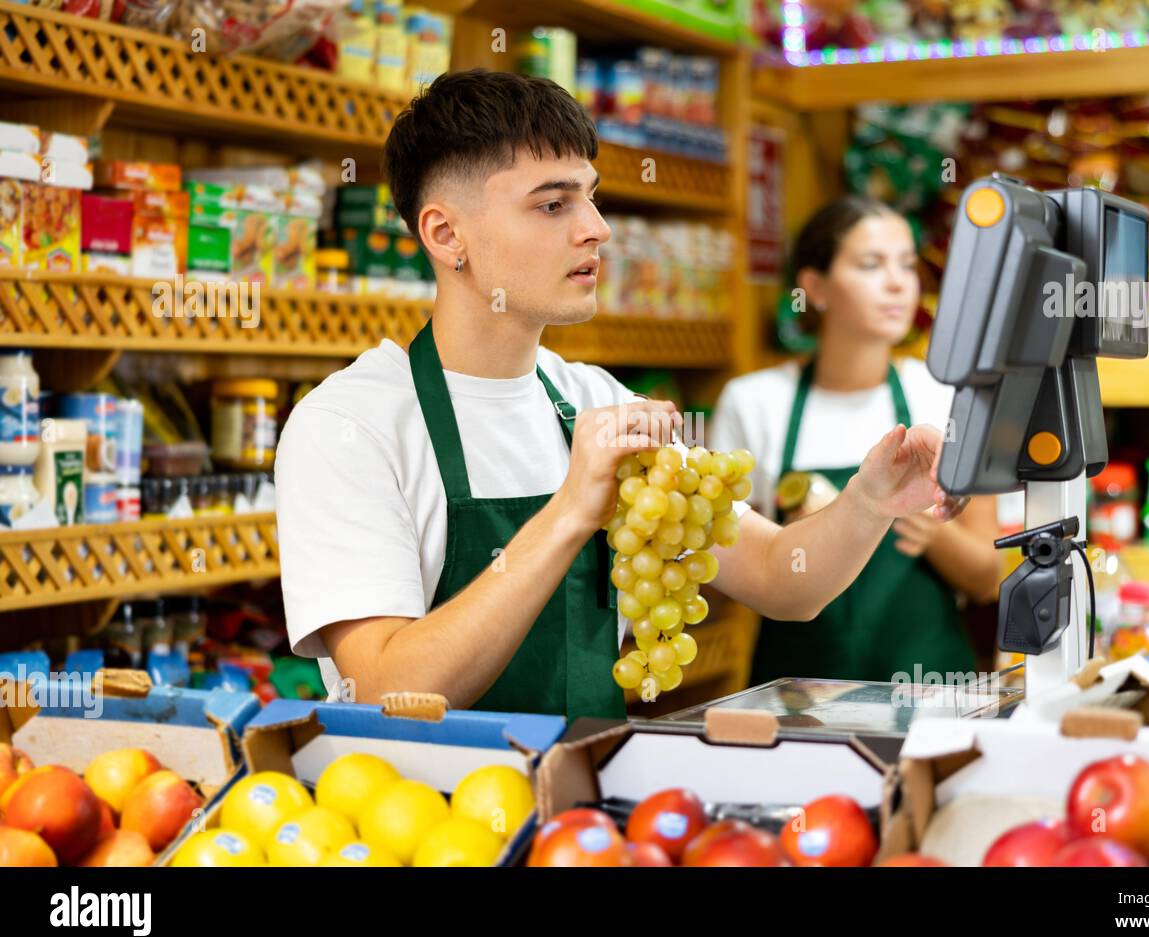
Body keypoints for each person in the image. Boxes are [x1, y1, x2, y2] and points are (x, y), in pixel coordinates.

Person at [274, 71, 968, 721]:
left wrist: (871, 500)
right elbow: (386, 688)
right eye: (553, 204)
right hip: (425, 827)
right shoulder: (350, 425)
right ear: (446, 234)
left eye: (591, 195)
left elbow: (781, 577)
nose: (597, 229)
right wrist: (573, 509)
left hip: (581, 818)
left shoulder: (591, 398)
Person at [710, 196, 1002, 686]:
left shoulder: (948, 398)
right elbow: (718, 578)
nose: (897, 283)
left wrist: (931, 533)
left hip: (931, 694)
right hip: (797, 701)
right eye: (871, 264)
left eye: (907, 265)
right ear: (815, 287)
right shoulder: (754, 402)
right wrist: (792, 543)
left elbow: (987, 577)